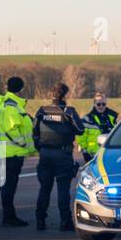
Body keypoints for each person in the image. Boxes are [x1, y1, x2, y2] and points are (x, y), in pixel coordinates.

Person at [32, 82, 85, 231]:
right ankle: (65, 221)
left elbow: (34, 131)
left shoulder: (42, 111)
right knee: (63, 189)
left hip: (45, 154)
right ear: (65, 95)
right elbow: (80, 129)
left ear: (52, 94)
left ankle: (40, 220)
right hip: (63, 154)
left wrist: (40, 148)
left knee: (44, 188)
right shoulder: (69, 111)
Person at [0, 76, 34, 226]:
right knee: (9, 187)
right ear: (20, 89)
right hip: (12, 153)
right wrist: (24, 144)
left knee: (7, 186)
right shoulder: (11, 105)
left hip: (5, 152)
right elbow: (13, 130)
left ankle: (9, 215)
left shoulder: (5, 103)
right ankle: (9, 217)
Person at [79, 93, 119, 163]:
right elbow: (81, 136)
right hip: (92, 155)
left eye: (103, 104)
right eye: (98, 104)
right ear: (94, 104)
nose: (101, 106)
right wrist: (85, 152)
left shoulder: (112, 117)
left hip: (109, 153)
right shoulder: (87, 119)